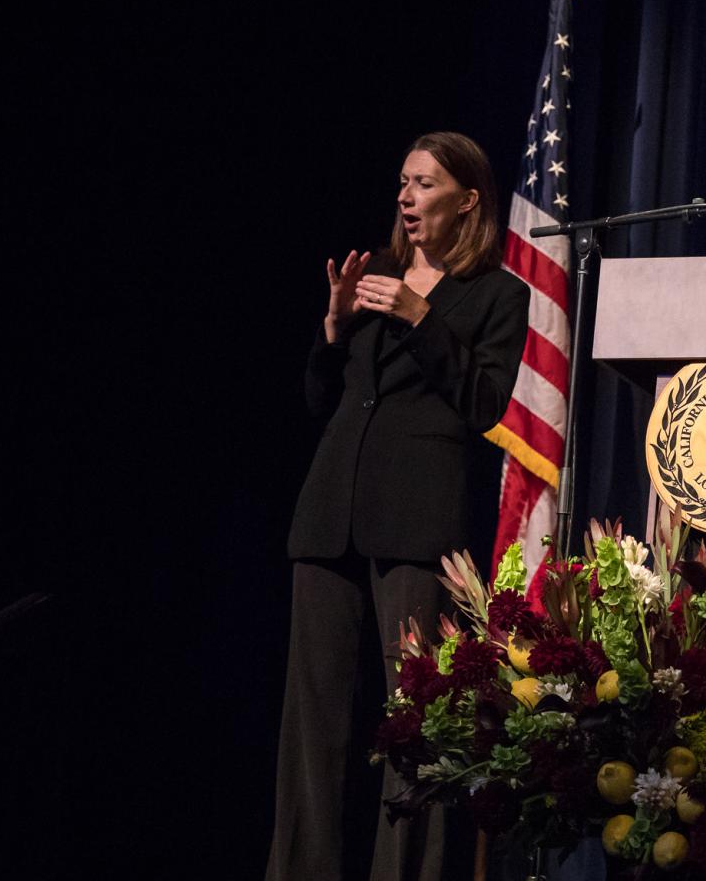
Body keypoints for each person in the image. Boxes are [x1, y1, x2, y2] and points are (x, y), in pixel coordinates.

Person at [268, 131, 529, 881]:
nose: (406, 198)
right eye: (403, 184)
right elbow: (324, 401)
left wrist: (422, 318)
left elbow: (483, 405)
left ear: (467, 200)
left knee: (416, 716)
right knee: (312, 721)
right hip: (330, 513)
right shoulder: (374, 273)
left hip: (419, 520)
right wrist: (331, 329)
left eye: (423, 184)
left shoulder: (495, 294)